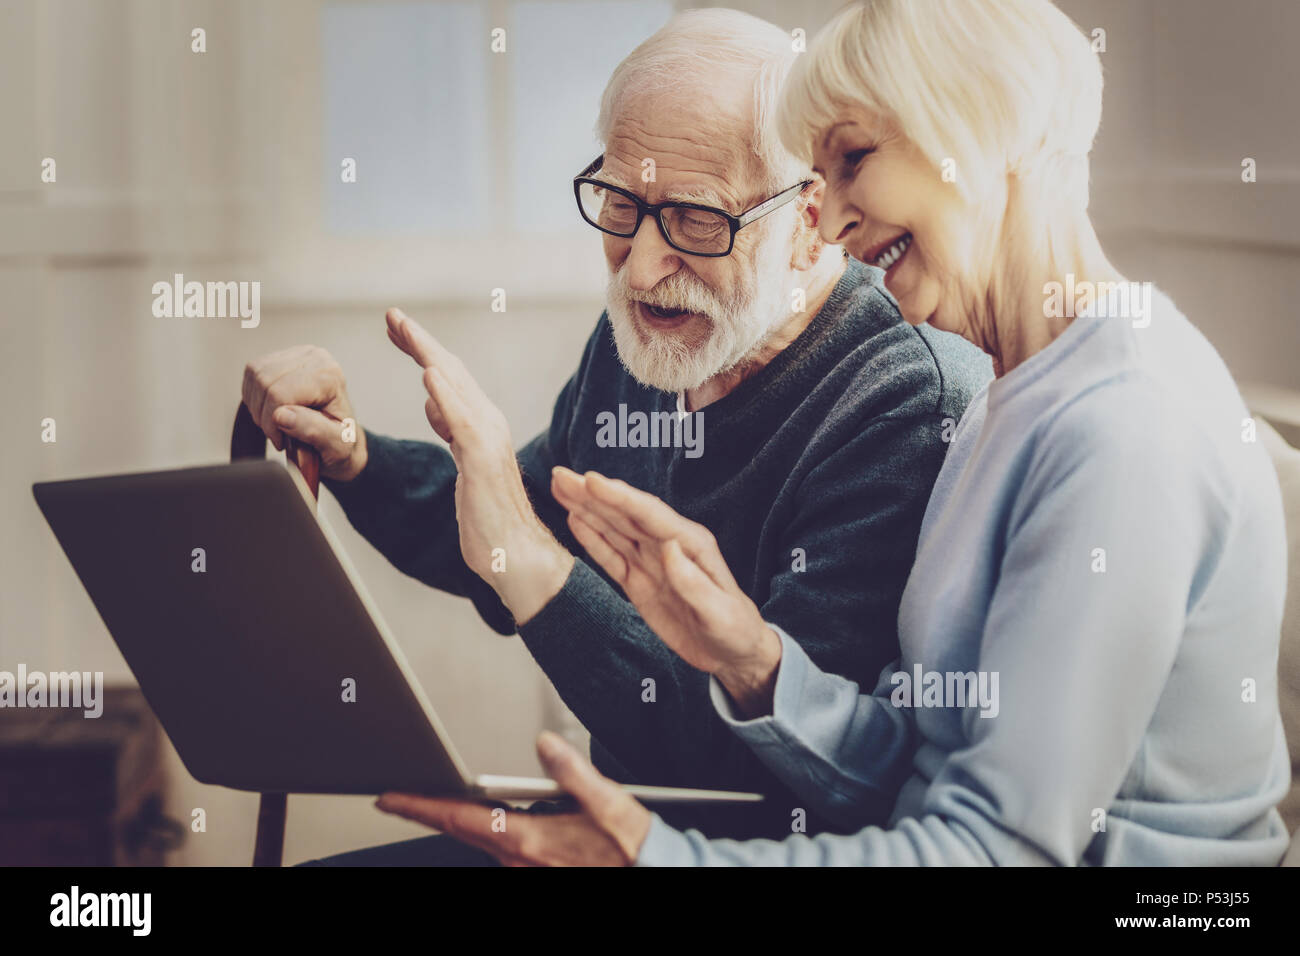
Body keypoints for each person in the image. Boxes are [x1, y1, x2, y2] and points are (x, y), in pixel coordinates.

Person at [376, 0, 1293, 866]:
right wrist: (754, 659)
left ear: (978, 132)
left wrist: (659, 856)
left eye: (852, 159)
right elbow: (918, 766)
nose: (833, 219)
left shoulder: (1121, 427)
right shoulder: (1008, 400)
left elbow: (994, 848)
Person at [243, 8, 990, 863]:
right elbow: (499, 536)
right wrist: (353, 455)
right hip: (604, 832)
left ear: (809, 215)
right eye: (620, 205)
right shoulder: (652, 344)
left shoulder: (902, 401)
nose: (639, 268)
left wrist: (532, 562)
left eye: (697, 220)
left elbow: (780, 773)